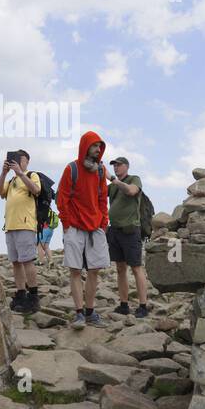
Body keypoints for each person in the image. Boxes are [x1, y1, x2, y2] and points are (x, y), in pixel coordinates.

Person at [56, 130, 110, 328]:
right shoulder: (72, 169)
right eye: (95, 146)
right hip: (75, 227)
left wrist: (104, 223)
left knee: (94, 270)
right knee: (75, 270)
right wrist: (66, 224)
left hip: (96, 226)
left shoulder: (101, 171)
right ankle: (79, 313)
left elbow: (103, 199)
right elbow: (62, 199)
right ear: (85, 146)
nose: (98, 150)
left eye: (100, 147)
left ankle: (90, 312)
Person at [0, 150, 42, 313]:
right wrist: (4, 173)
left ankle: (34, 297)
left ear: (26, 161)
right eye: (13, 160)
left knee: (27, 261)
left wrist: (21, 173)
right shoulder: (12, 179)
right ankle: (21, 294)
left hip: (25, 225)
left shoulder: (31, 175)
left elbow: (36, 190)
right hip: (10, 226)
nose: (15, 162)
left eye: (19, 160)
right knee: (15, 262)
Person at [106, 156, 150, 317]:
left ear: (127, 166)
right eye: (114, 166)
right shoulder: (111, 187)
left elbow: (132, 191)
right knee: (120, 269)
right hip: (115, 231)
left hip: (131, 230)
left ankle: (143, 306)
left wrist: (113, 180)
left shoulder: (134, 179)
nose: (116, 168)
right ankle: (124, 304)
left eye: (119, 165)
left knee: (136, 267)